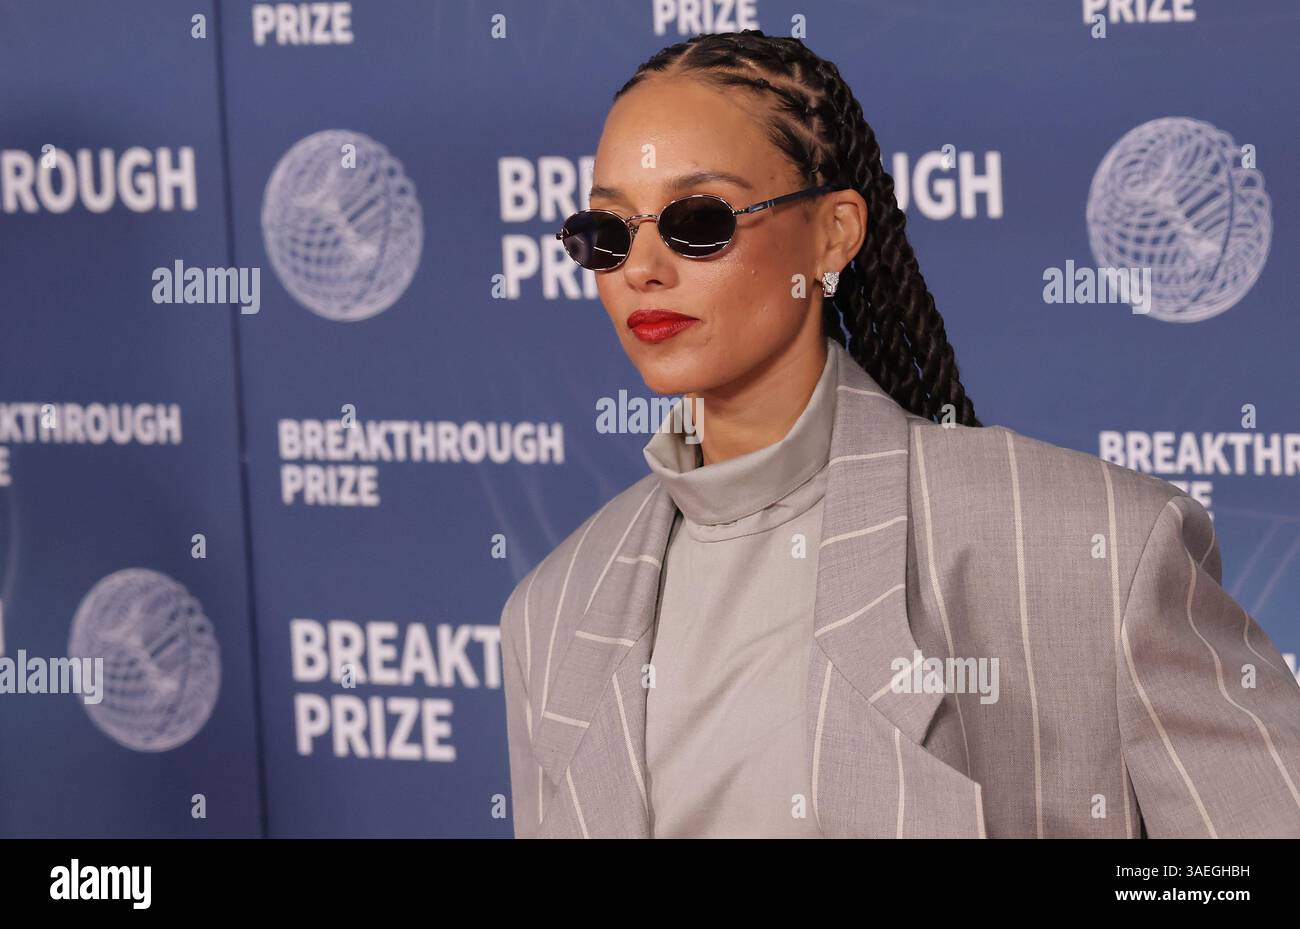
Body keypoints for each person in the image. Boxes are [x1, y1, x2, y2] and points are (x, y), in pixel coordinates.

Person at [499, 29, 1300, 838]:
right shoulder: (550, 612)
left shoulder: (1094, 545)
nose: (642, 268)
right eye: (606, 233)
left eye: (697, 219)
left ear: (835, 232)